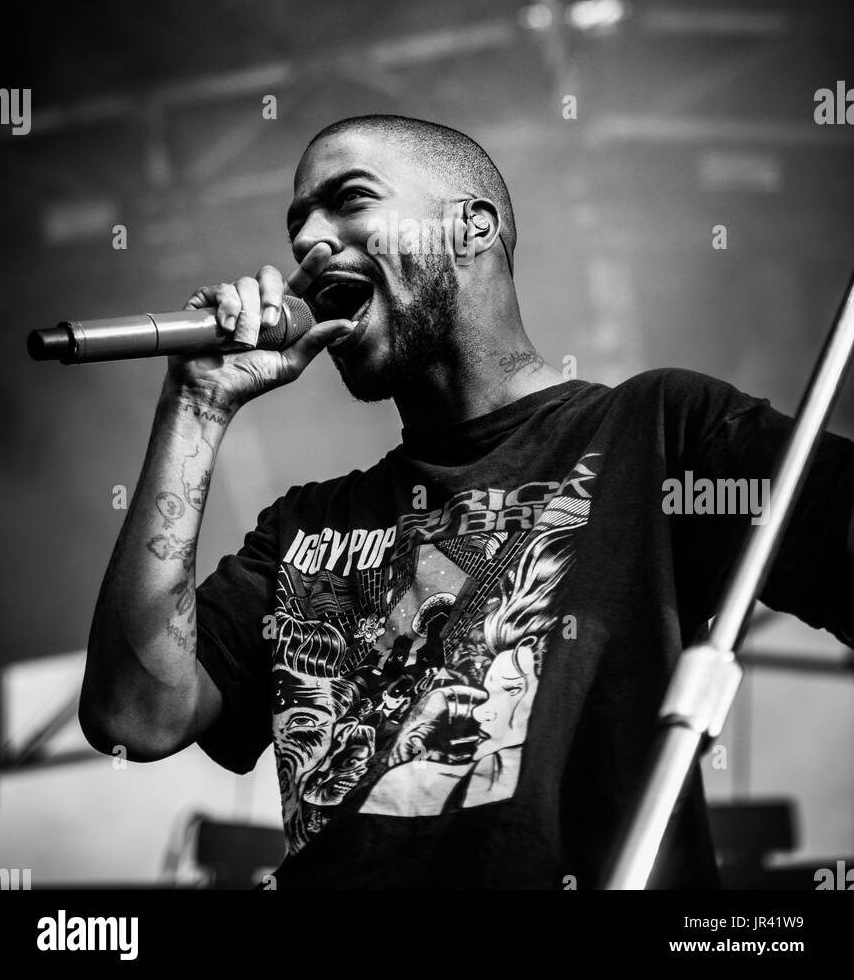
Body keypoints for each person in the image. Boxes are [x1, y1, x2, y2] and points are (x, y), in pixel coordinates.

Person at [79, 114, 854, 890]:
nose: (309, 243)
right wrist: (197, 403)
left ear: (470, 226)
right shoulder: (301, 527)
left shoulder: (656, 432)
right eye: (297, 226)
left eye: (348, 200)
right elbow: (135, 716)